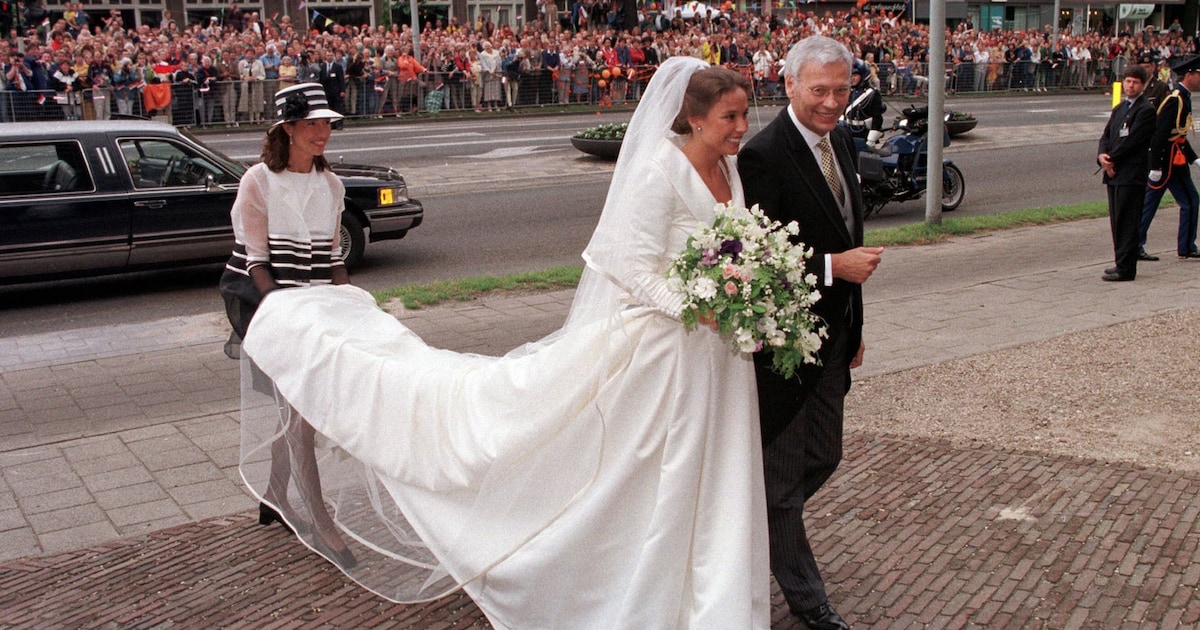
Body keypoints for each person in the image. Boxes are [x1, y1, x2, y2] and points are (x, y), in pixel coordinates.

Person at [238, 59, 771, 628]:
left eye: (743, 114)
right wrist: (696, 307)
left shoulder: (730, 172)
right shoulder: (658, 171)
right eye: (730, 116)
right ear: (691, 118)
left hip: (713, 352)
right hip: (668, 345)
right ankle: (297, 497)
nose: (741, 126)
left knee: (708, 467)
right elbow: (625, 260)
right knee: (295, 392)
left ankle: (709, 583)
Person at [738, 35, 884, 630]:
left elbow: (846, 228)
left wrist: (853, 327)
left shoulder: (841, 138)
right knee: (779, 486)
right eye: (819, 90)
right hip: (785, 345)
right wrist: (831, 268)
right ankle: (807, 600)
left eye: (841, 89)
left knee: (824, 456)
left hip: (834, 338)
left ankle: (749, 525)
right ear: (789, 84)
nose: (830, 101)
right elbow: (757, 259)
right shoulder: (763, 155)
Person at [219, 82, 356, 568]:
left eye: (328, 124)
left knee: (295, 404)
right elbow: (258, 261)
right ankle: (322, 522)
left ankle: (274, 495)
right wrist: (285, 317)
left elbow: (333, 258)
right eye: (313, 124)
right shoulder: (258, 181)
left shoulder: (332, 185)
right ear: (289, 129)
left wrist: (351, 303)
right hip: (262, 297)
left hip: (311, 295)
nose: (323, 133)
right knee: (297, 409)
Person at [1098, 65, 1155, 282]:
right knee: (1116, 221)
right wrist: (1102, 156)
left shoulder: (1146, 110)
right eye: (1128, 81)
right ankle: (1120, 261)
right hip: (1114, 173)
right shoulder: (1120, 108)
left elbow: (1133, 142)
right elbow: (1107, 136)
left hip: (1130, 174)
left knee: (1128, 221)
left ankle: (1127, 268)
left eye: (1135, 83)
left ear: (1143, 85)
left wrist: (1112, 161)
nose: (1130, 86)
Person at [1141, 54, 1200, 262]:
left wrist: (1193, 159)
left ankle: (1186, 246)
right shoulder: (1175, 99)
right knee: (1150, 202)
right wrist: (1155, 166)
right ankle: (1134, 244)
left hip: (1178, 159)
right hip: (1166, 161)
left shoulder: (1184, 97)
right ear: (1190, 75)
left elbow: (1180, 134)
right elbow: (1159, 134)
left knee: (1191, 200)